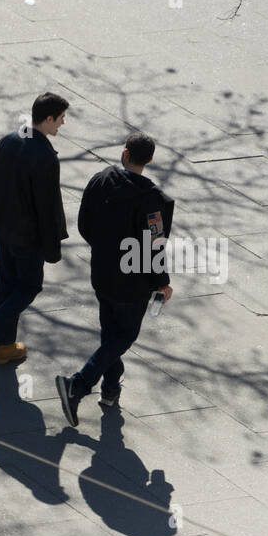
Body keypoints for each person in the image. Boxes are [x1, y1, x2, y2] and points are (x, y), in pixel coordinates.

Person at [55, 132, 174, 427]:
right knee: (124, 336)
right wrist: (162, 281)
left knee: (110, 333)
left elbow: (84, 224)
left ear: (124, 153)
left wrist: (104, 248)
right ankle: (78, 384)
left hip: (103, 272)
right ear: (149, 160)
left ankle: (110, 390)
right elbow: (153, 244)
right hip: (133, 282)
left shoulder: (100, 180)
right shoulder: (153, 200)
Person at [0, 92, 70, 376]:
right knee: (29, 286)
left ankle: (5, 348)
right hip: (29, 237)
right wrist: (52, 249)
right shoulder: (45, 156)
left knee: (8, 286)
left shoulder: (10, 141)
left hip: (3, 229)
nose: (62, 124)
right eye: (61, 118)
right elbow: (48, 207)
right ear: (48, 118)